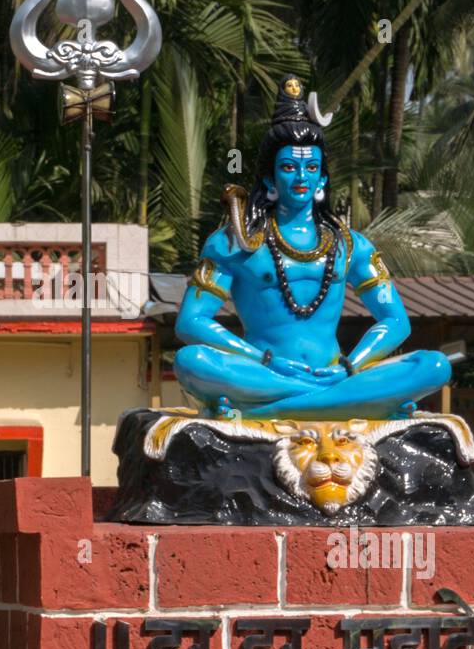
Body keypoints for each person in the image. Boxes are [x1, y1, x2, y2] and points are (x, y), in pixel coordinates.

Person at [173, 74, 450, 421]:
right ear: (270, 179)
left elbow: (396, 321)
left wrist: (352, 366)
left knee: (434, 365)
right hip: (265, 374)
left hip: (336, 373)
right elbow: (190, 322)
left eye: (311, 167)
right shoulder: (236, 241)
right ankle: (339, 402)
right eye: (289, 167)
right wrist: (262, 360)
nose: (301, 177)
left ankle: (278, 409)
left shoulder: (348, 244)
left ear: (322, 179)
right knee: (191, 362)